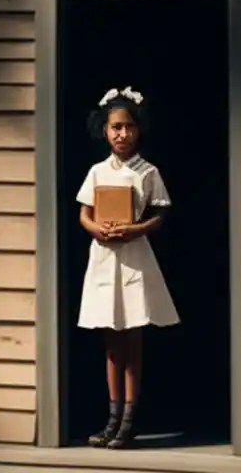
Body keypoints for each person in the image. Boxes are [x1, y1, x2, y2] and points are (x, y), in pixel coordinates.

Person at [75, 86, 180, 449]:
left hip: (133, 256)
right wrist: (95, 229)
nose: (122, 134)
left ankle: (129, 421)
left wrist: (136, 229)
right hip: (106, 257)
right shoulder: (97, 171)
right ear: (104, 130)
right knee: (111, 341)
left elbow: (160, 214)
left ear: (139, 129)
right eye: (115, 127)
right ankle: (112, 417)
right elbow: (84, 213)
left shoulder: (146, 172)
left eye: (128, 127)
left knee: (132, 339)